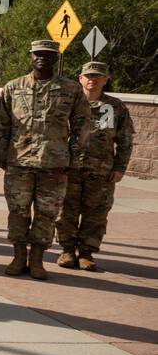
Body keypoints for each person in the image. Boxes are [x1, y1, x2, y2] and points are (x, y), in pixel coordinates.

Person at [0, 39, 90, 280]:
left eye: (48, 55)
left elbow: (81, 125)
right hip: (19, 163)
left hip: (54, 164)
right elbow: (2, 125)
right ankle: (18, 257)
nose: (42, 58)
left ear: (56, 58)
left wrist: (74, 158)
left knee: (46, 213)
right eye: (38, 54)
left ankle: (37, 260)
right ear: (31, 56)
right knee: (17, 211)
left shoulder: (71, 89)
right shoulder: (13, 87)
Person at [56, 61, 134, 272]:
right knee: (66, 211)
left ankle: (86, 253)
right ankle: (67, 250)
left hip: (101, 171)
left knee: (96, 214)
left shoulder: (115, 107)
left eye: (98, 76)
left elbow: (125, 140)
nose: (93, 80)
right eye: (88, 76)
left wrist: (120, 168)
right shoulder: (68, 104)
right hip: (69, 169)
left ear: (105, 80)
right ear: (80, 78)